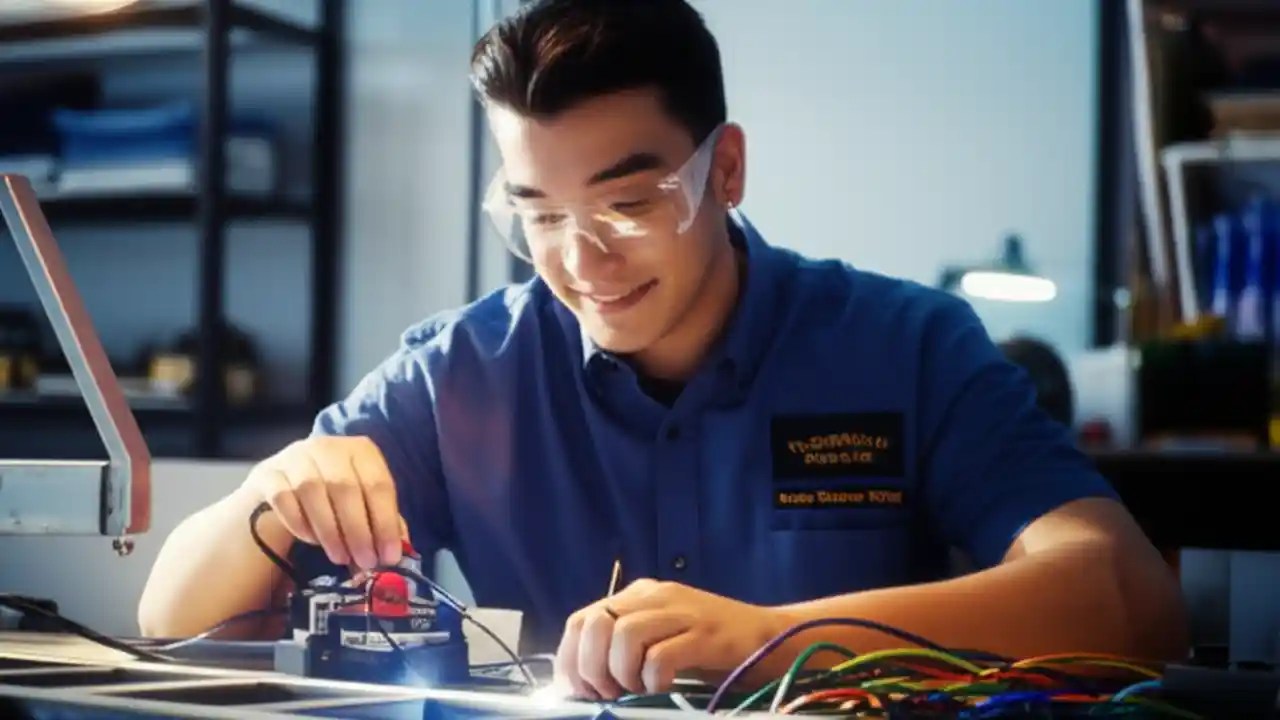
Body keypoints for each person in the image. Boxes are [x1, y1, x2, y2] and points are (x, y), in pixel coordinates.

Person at [139, 0, 1187, 701]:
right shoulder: (460, 373)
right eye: (534, 213)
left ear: (724, 169)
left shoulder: (901, 346)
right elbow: (167, 613)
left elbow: (1128, 598)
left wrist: (765, 637)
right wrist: (269, 502)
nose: (579, 258)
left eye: (628, 202)